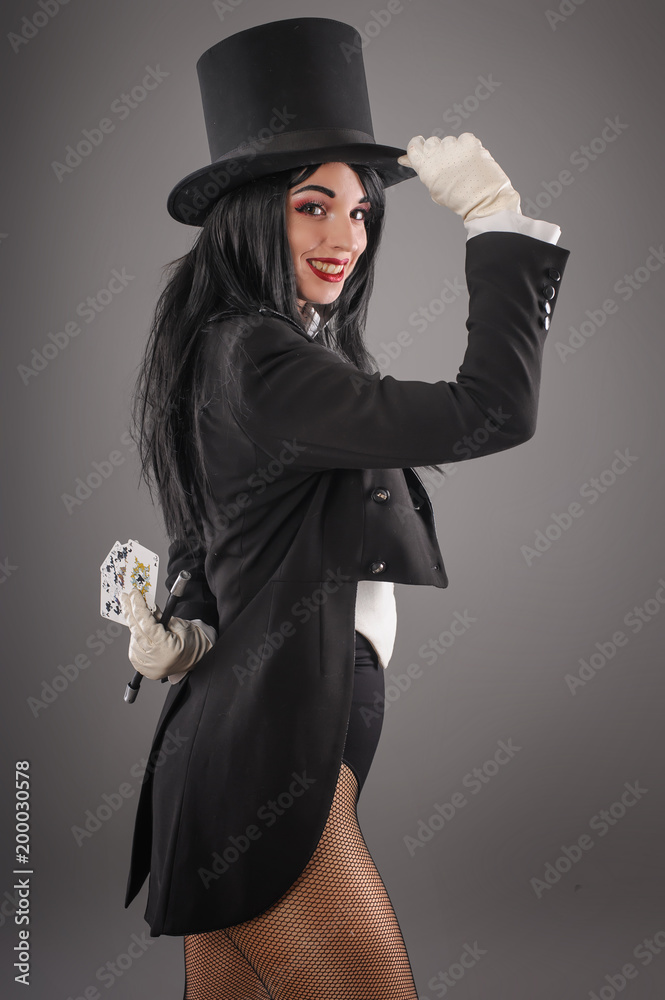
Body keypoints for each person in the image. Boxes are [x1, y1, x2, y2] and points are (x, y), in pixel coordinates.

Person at [120, 17, 571, 1000]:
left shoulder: (255, 349)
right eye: (312, 205)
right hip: (260, 761)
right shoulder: (260, 354)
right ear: (249, 213)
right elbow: (488, 410)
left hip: (253, 737)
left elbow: (216, 522)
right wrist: (495, 219)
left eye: (362, 212)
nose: (344, 236)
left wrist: (189, 623)